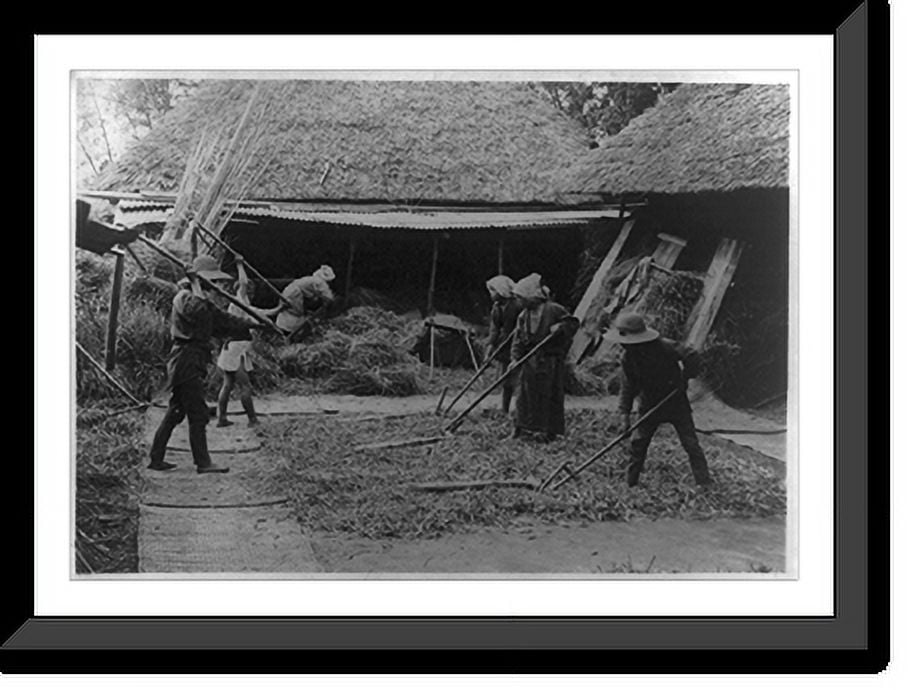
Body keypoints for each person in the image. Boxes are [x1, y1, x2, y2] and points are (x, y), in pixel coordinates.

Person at [148, 255, 273, 474]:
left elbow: (226, 320)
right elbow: (198, 310)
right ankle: (203, 463)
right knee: (198, 413)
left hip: (192, 361)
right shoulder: (185, 298)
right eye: (212, 282)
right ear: (200, 280)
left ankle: (156, 459)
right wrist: (196, 284)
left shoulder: (203, 302)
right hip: (185, 360)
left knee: (176, 412)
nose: (216, 286)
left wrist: (257, 325)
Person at [605, 312, 713, 488]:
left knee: (691, 444)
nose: (624, 345)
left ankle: (705, 483)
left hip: (675, 402)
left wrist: (686, 376)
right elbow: (628, 386)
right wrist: (624, 413)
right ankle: (630, 484)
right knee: (638, 444)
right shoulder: (628, 357)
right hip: (649, 404)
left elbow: (692, 355)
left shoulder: (664, 346)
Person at [509, 273, 579, 442]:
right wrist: (514, 358)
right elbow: (518, 339)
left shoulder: (553, 309)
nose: (520, 302)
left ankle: (549, 432)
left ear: (531, 296)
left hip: (550, 361)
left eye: (521, 298)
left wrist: (561, 327)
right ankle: (522, 429)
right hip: (530, 361)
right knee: (524, 396)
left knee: (548, 396)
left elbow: (573, 323)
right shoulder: (523, 316)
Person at [215, 257, 281, 428]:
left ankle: (221, 418)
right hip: (237, 349)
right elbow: (243, 283)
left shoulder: (246, 305)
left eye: (252, 289)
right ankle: (252, 420)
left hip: (234, 348)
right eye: (248, 289)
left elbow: (264, 312)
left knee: (228, 385)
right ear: (240, 290)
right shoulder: (238, 301)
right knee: (245, 386)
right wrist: (239, 264)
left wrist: (280, 308)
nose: (250, 291)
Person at [485, 275, 520, 414]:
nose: (491, 295)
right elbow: (494, 328)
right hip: (504, 346)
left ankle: (520, 410)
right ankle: (505, 409)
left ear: (501, 291)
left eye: (493, 291)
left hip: (518, 343)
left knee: (518, 380)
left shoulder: (517, 305)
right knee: (506, 381)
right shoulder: (496, 307)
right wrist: (490, 347)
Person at [275, 264, 336, 337]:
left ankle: (283, 333)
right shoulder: (320, 282)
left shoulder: (311, 279)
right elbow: (329, 298)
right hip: (294, 297)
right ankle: (291, 334)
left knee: (288, 312)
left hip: (288, 294)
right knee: (295, 314)